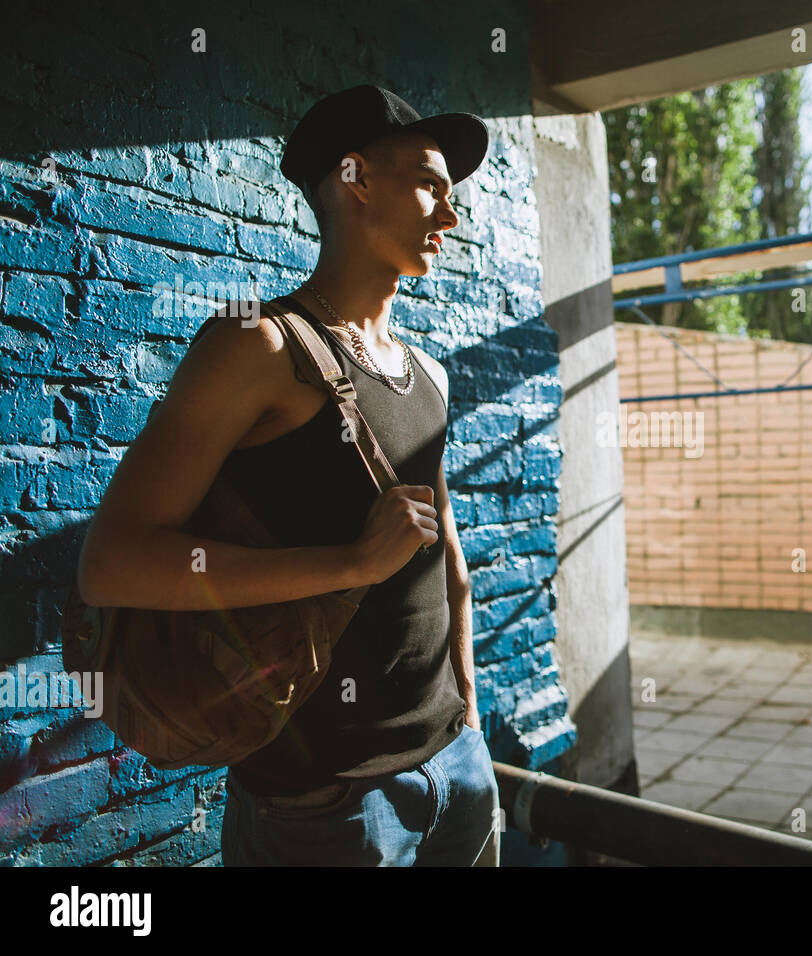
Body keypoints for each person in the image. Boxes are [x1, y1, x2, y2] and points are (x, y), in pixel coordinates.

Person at [75, 85, 499, 866]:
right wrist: (348, 565)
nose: (451, 213)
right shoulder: (261, 348)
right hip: (328, 806)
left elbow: (450, 566)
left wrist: (470, 716)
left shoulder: (430, 373)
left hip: (460, 770)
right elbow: (112, 564)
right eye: (432, 184)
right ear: (355, 177)